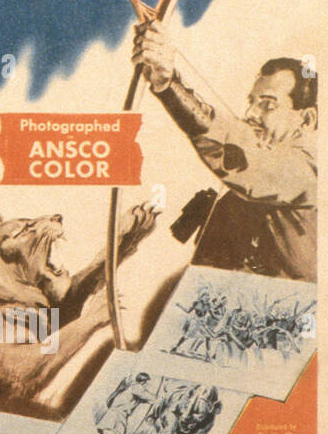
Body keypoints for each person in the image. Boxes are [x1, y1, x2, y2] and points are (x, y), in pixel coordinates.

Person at [131, 19, 316, 282]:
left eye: (268, 105)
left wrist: (168, 83)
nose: (251, 113)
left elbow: (243, 156)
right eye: (252, 102)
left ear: (306, 120)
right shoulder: (251, 187)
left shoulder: (308, 167)